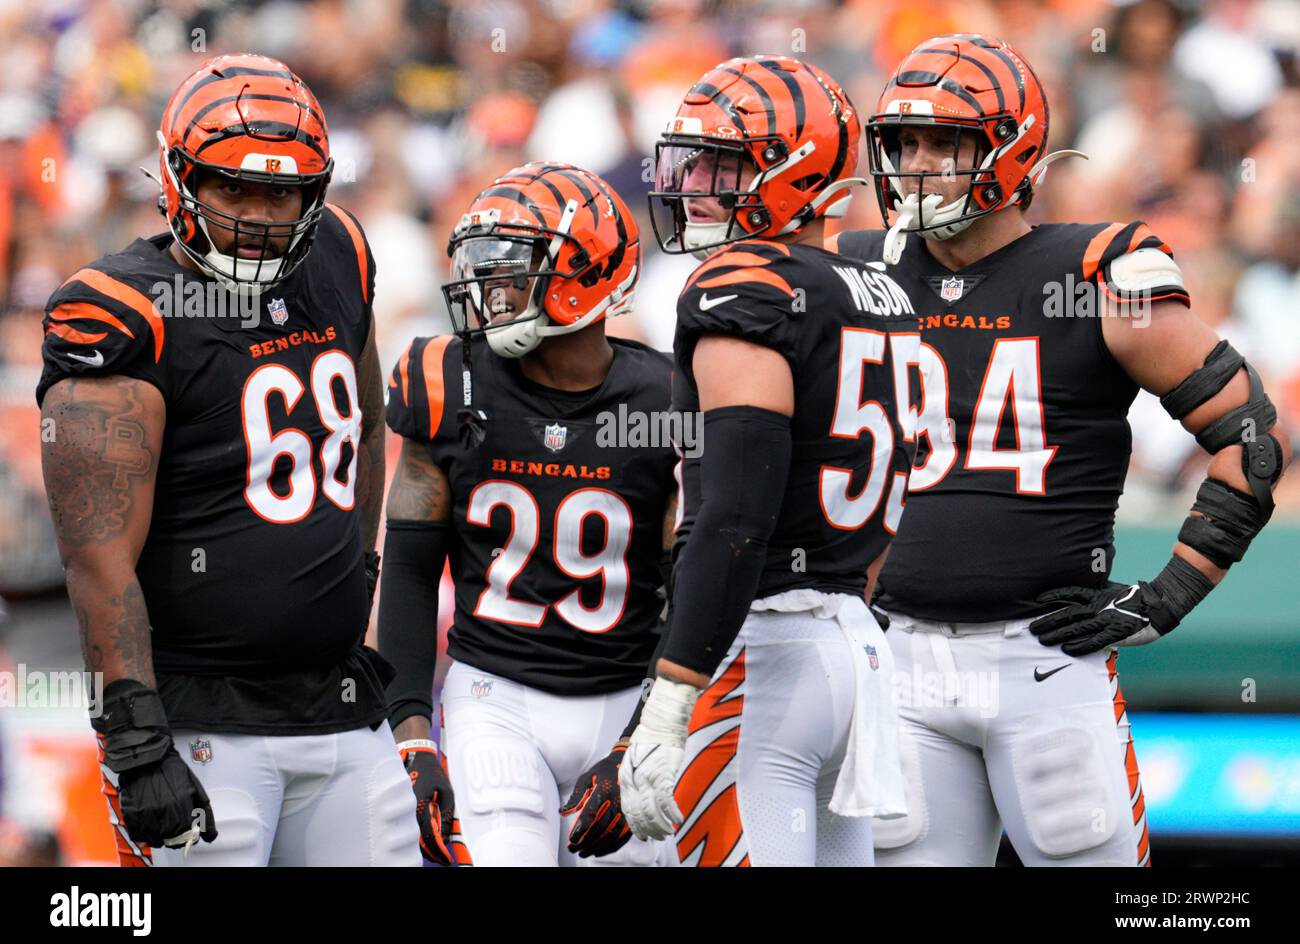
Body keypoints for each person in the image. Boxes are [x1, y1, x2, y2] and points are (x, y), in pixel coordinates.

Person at [833, 33, 1291, 866]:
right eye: (906, 142)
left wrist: (1168, 595)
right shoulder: (859, 270)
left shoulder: (1093, 270)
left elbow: (1252, 439)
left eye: (949, 142)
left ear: (1012, 149)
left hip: (1043, 663)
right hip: (897, 660)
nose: (920, 163)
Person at [37, 54, 417, 866]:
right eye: (231, 189)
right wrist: (136, 736)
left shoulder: (342, 252)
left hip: (339, 705)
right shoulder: (122, 309)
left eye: (279, 193)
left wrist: (359, 574)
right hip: (203, 728)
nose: (257, 216)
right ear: (179, 181)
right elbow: (96, 556)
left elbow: (369, 422)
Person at [619, 55, 915, 867]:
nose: (698, 186)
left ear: (796, 170)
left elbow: (736, 515)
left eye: (725, 165)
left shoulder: (745, 287)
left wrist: (674, 693)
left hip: (766, 653)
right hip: (852, 647)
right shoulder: (879, 290)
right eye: (695, 162)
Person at [380, 161, 677, 867]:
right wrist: (413, 734)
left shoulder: (668, 400)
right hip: (496, 695)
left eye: (513, 267)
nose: (490, 288)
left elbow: (692, 588)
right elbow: (411, 572)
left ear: (588, 272)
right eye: (483, 265)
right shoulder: (441, 379)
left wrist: (647, 735)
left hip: (626, 698)